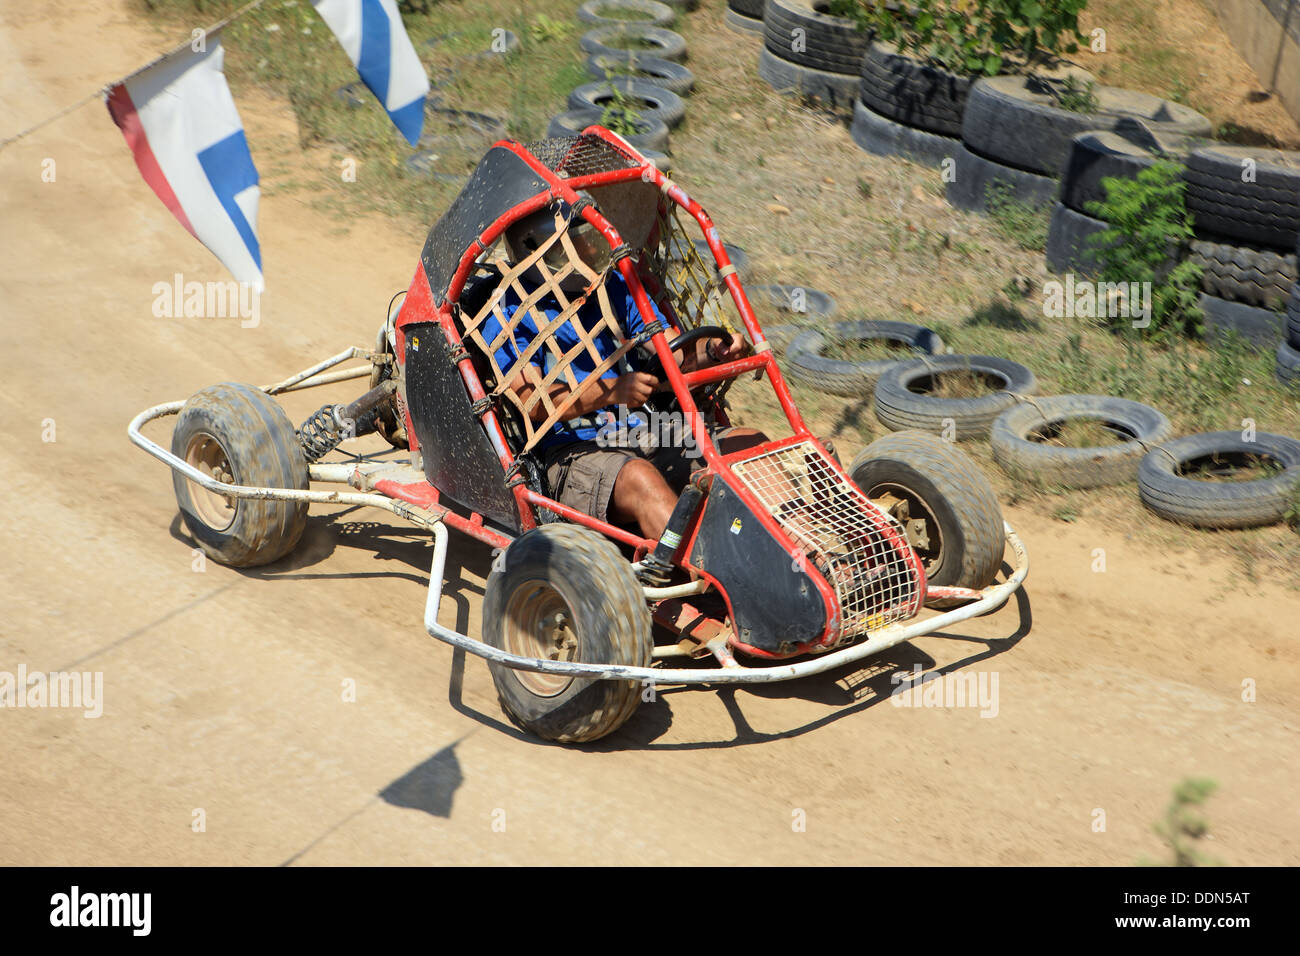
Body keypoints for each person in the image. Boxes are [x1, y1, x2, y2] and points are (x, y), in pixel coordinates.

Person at [486, 202, 768, 541]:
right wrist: (613, 390)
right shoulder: (511, 313)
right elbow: (531, 402)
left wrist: (713, 350)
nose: (591, 248)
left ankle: (812, 551)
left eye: (589, 237)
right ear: (540, 250)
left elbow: (672, 351)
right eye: (576, 242)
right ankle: (708, 581)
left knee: (750, 445)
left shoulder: (614, 285)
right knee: (640, 479)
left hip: (644, 431)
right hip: (572, 454)